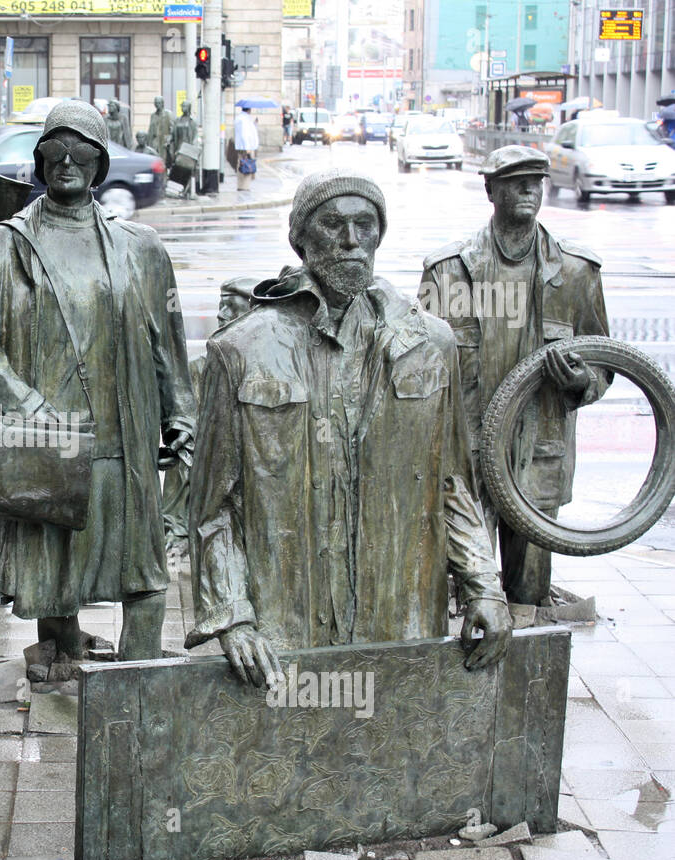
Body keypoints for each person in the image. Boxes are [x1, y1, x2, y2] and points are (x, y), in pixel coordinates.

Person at [189, 169, 512, 688]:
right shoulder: (241, 350)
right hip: (286, 620)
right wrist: (232, 614)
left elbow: (452, 484)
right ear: (301, 238)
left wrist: (483, 587)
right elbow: (211, 507)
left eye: (365, 225)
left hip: (397, 614)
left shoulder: (429, 344)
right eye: (332, 224)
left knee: (397, 756)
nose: (351, 241)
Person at [0, 101, 196, 665]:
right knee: (54, 558)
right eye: (53, 151)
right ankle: (60, 646)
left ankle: (138, 671)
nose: (66, 162)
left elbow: (168, 344)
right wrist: (25, 401)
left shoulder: (140, 246)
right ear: (38, 161)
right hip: (52, 434)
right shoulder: (6, 244)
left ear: (99, 162)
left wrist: (179, 414)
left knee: (142, 566)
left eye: (81, 152)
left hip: (125, 438)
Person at [420, 146, 609, 607]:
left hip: (539, 450)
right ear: (490, 189)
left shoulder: (576, 271)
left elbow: (604, 363)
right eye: (514, 180)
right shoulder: (449, 271)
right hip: (468, 453)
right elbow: (419, 370)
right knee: (470, 588)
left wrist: (580, 380)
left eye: (536, 181)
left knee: (529, 593)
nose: (528, 188)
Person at [234, 107, 259, 189]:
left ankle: (242, 186)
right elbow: (244, 134)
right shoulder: (244, 119)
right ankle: (244, 187)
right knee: (246, 166)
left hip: (243, 146)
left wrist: (254, 124)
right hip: (246, 147)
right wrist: (247, 147)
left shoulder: (241, 118)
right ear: (249, 110)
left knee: (242, 165)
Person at [147, 95, 174, 165]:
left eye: (159, 103)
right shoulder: (153, 115)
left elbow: (173, 129)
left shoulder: (168, 114)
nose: (157, 105)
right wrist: (148, 144)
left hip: (164, 143)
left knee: (163, 163)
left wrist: (168, 140)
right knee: (154, 162)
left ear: (162, 103)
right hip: (154, 143)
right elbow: (150, 131)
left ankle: (164, 176)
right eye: (155, 103)